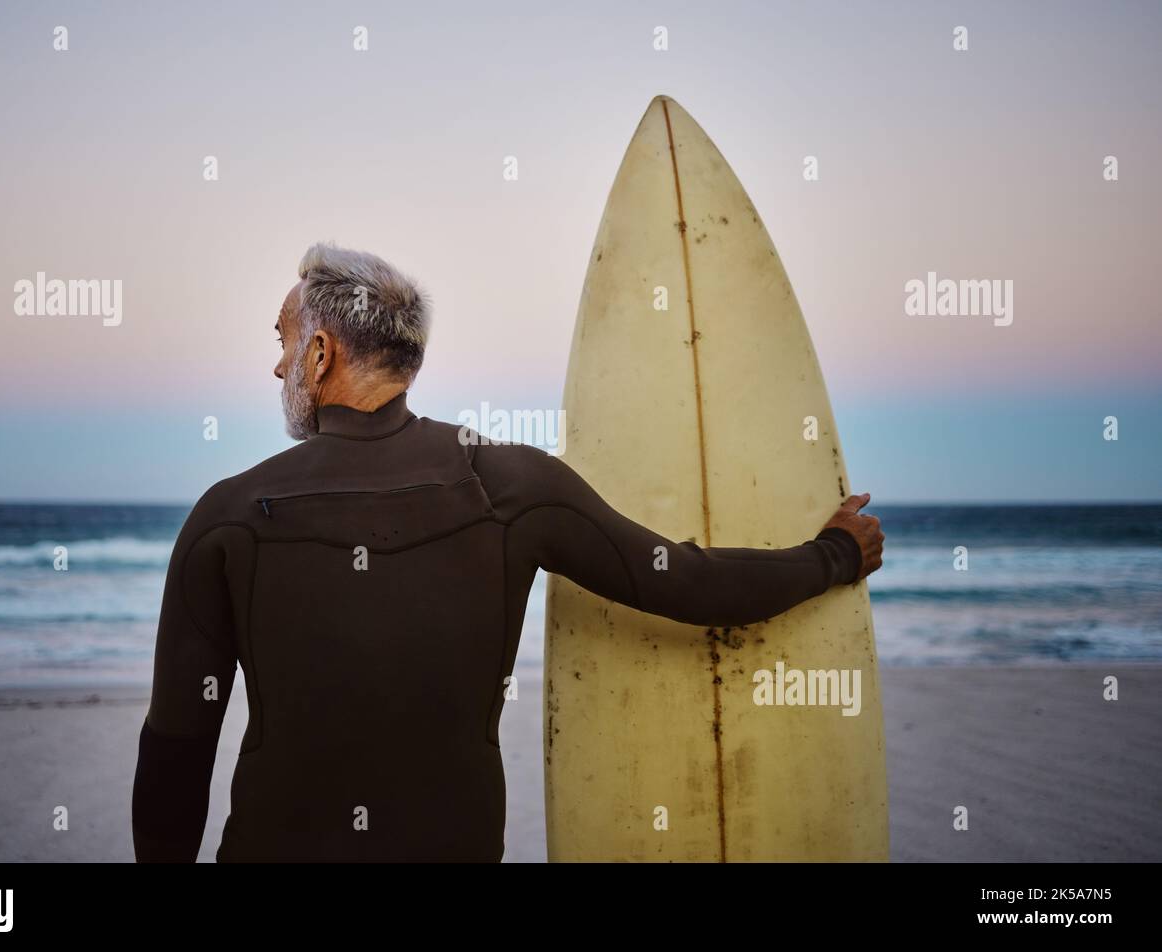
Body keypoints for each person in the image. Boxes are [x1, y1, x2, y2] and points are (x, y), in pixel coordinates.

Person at [131, 242, 884, 862]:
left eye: (282, 340)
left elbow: (176, 748)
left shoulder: (228, 515)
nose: (277, 366)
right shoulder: (508, 484)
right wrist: (832, 556)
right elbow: (683, 582)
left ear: (321, 352)